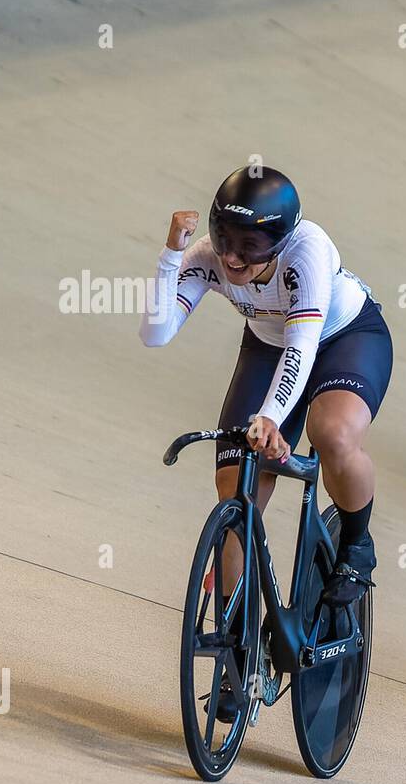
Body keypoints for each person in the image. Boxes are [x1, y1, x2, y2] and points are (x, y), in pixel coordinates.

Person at [141, 166, 393, 716]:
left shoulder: (308, 250)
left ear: (279, 242)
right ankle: (236, 650)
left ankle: (355, 547)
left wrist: (271, 418)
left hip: (342, 340)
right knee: (236, 492)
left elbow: (302, 347)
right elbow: (156, 332)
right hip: (267, 348)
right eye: (226, 242)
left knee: (332, 434)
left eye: (250, 248)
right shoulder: (211, 255)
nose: (232, 260)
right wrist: (170, 255)